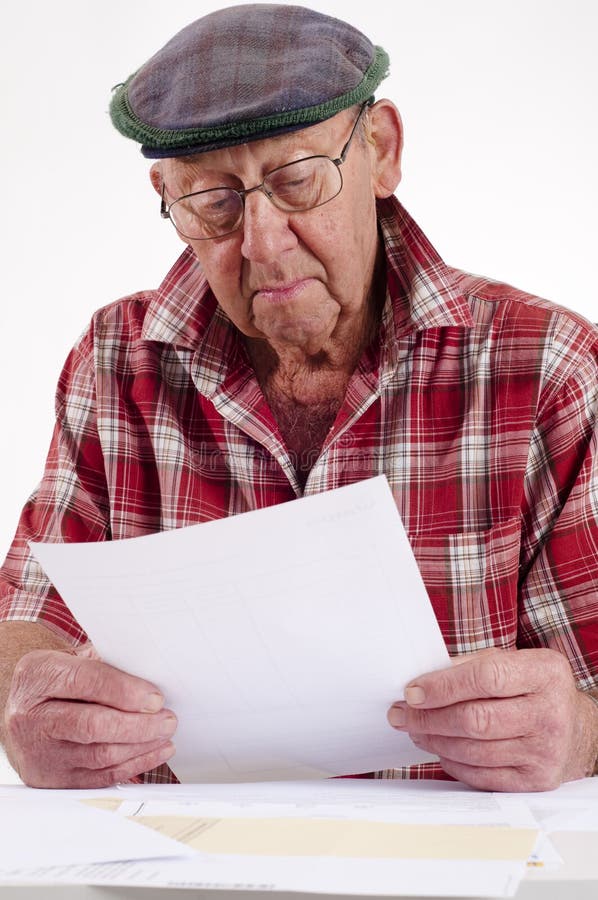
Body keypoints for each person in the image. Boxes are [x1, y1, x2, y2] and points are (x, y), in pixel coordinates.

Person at [0, 3, 597, 791]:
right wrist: (26, 702)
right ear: (165, 194)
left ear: (380, 150)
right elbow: (28, 627)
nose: (263, 243)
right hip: (174, 875)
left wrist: (580, 736)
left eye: (297, 180)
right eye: (213, 201)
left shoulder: (546, 366)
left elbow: (590, 696)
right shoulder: (117, 364)